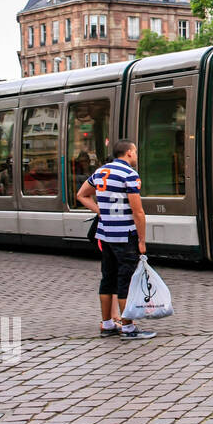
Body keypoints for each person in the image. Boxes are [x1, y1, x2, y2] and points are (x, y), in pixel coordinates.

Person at [75, 139, 155, 340]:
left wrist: (101, 211)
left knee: (108, 278)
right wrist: (142, 240)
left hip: (105, 234)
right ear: (128, 153)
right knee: (125, 280)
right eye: (135, 151)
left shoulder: (101, 172)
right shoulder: (129, 175)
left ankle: (107, 324)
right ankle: (128, 328)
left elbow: (81, 195)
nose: (136, 155)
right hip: (125, 235)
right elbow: (138, 212)